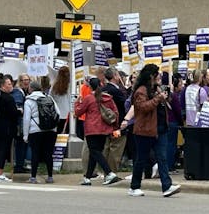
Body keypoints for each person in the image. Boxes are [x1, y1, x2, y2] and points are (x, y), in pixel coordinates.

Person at [128, 63, 180, 197]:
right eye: (158, 75)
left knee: (162, 158)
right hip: (145, 130)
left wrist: (166, 96)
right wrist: (158, 98)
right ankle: (134, 186)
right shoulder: (141, 91)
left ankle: (166, 186)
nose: (160, 77)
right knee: (141, 159)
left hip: (160, 129)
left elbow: (165, 104)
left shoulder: (156, 89)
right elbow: (143, 107)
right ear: (151, 76)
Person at [74, 77, 121, 186]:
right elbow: (115, 112)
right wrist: (115, 127)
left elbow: (78, 112)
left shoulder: (89, 98)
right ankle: (87, 177)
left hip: (92, 129)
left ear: (90, 87)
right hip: (105, 129)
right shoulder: (108, 98)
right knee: (95, 152)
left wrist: (77, 103)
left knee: (94, 152)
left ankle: (109, 173)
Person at [22, 80, 59, 184]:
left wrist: (25, 135)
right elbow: (58, 113)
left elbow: (26, 119)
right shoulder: (49, 98)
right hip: (51, 130)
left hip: (35, 130)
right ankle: (50, 176)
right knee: (48, 154)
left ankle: (33, 177)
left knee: (35, 153)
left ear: (31, 89)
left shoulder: (29, 101)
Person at [102, 67, 128, 173]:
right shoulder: (116, 91)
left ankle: (105, 171)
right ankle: (112, 172)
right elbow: (125, 105)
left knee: (106, 147)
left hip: (106, 124)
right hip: (118, 125)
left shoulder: (103, 89)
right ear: (114, 76)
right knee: (116, 148)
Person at [48, 65, 71, 134]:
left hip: (57, 115)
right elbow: (70, 100)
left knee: (57, 135)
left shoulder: (54, 86)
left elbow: (50, 99)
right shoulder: (70, 86)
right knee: (66, 136)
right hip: (67, 115)